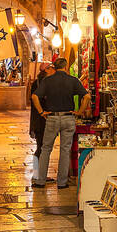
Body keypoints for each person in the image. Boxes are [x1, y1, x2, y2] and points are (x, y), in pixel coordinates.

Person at [31, 57, 89, 189]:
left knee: (46, 149)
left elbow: (35, 96)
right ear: (66, 67)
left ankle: (41, 181)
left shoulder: (48, 81)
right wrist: (80, 111)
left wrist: (41, 112)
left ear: (55, 67)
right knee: (65, 150)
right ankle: (62, 183)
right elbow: (86, 96)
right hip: (68, 117)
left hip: (52, 118)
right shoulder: (73, 80)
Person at [27, 64, 53, 152]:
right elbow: (34, 97)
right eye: (51, 68)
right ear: (46, 70)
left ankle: (39, 157)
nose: (53, 70)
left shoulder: (37, 82)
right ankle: (40, 160)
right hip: (45, 114)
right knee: (44, 143)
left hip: (38, 115)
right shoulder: (46, 82)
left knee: (41, 140)